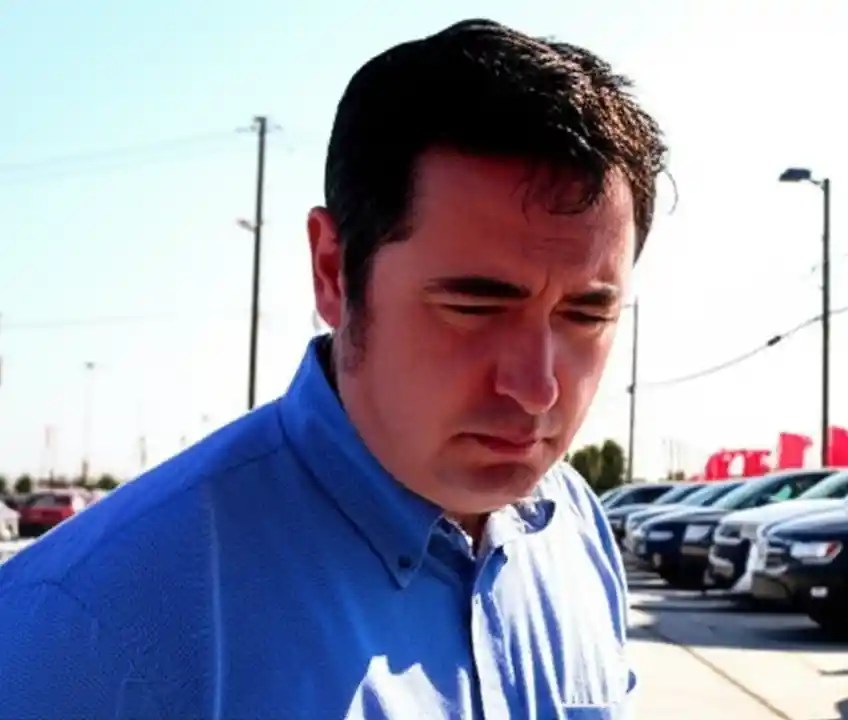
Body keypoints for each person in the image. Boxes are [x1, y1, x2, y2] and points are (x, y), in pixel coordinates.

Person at [0, 18, 667, 719]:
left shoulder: (575, 530)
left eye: (586, 317)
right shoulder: (88, 628)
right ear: (332, 272)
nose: (537, 389)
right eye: (475, 305)